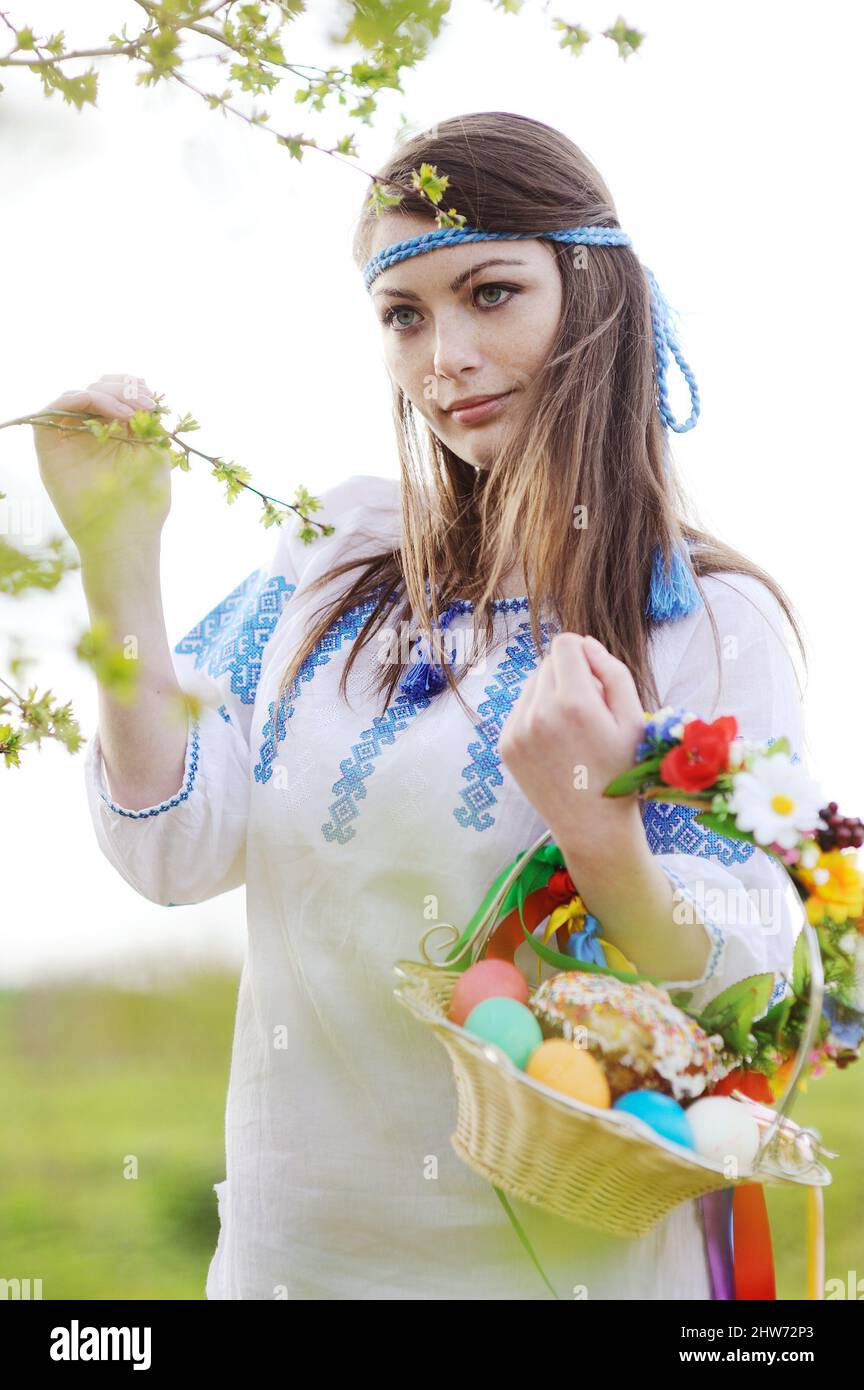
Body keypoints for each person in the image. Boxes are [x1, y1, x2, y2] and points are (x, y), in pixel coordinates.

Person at [34, 111, 810, 1300]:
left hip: (565, 1269)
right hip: (297, 1260)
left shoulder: (703, 622)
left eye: (490, 293)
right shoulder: (329, 559)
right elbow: (172, 849)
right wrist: (117, 560)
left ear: (595, 291)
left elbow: (742, 986)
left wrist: (601, 831)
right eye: (404, 314)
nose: (441, 354)